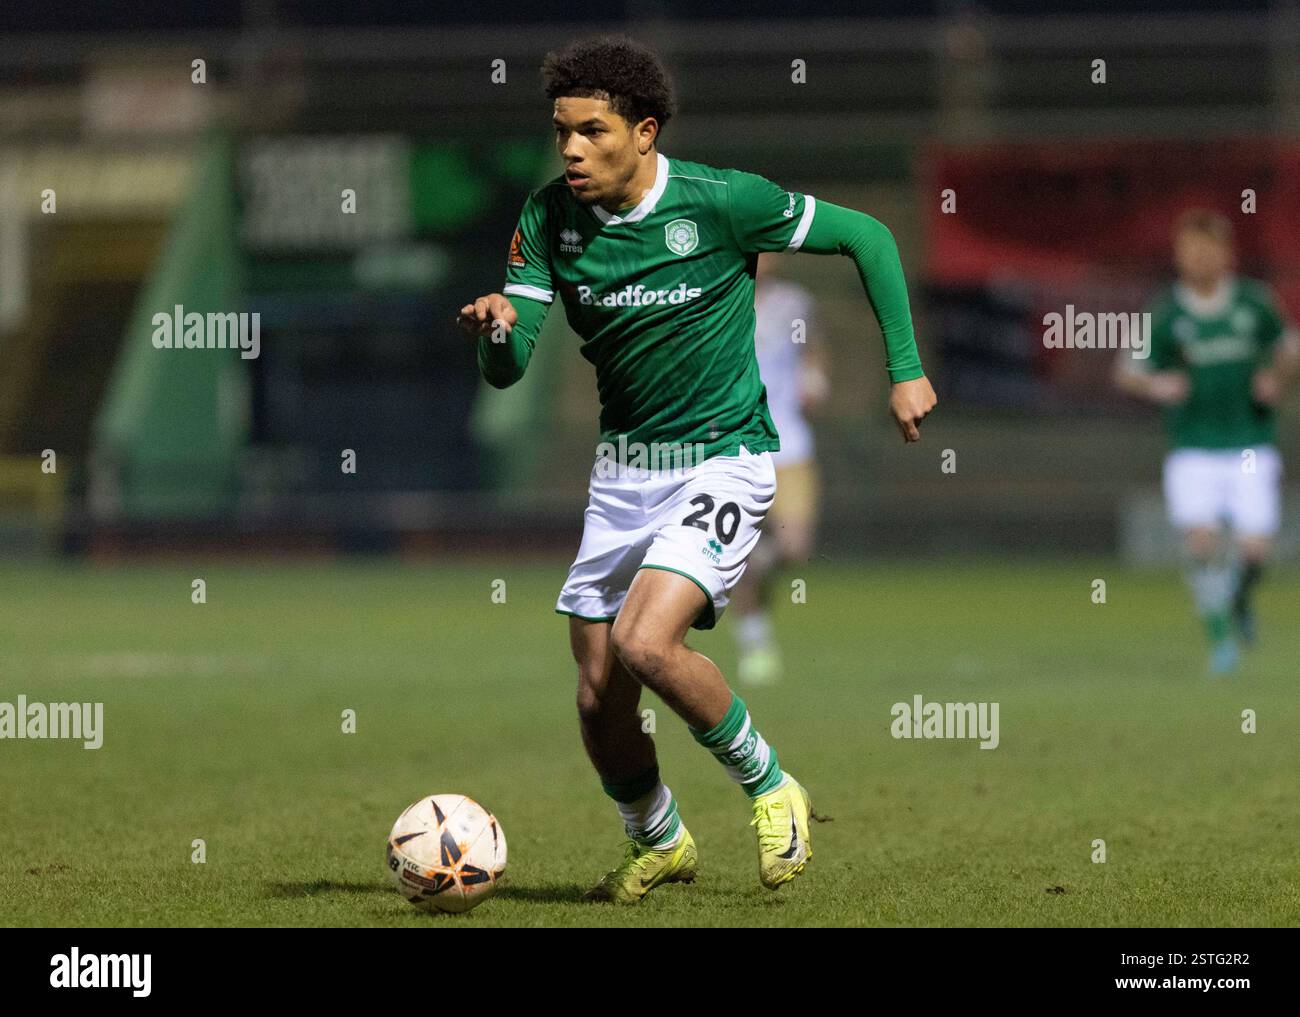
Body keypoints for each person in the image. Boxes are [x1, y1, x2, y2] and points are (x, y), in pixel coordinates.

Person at [457, 34, 935, 902]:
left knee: (646, 642)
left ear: (644, 133)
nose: (571, 148)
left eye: (593, 131)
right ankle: (660, 837)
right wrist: (495, 329)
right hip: (623, 476)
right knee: (597, 695)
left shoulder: (722, 202)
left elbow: (866, 235)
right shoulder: (547, 219)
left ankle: (770, 784)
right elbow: (511, 363)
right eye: (562, 130)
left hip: (725, 457)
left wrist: (905, 367)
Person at [1115, 209, 1299, 674]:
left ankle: (1239, 601)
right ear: (1179, 256)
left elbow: (1289, 348)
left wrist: (1275, 379)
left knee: (1255, 552)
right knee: (1201, 545)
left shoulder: (1254, 303)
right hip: (1192, 448)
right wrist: (1157, 386)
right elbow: (1127, 371)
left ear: (1225, 253)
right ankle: (1221, 642)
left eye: (1207, 249)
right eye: (1189, 250)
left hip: (1249, 445)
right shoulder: (1168, 313)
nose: (1198, 258)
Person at [731, 253, 829, 686]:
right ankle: (755, 640)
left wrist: (815, 380)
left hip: (790, 443)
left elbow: (815, 351)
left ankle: (751, 578)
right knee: (741, 551)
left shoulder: (795, 303)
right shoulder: (717, 301)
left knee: (793, 548)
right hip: (735, 449)